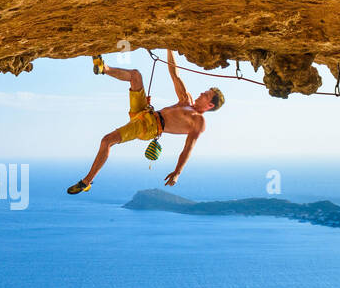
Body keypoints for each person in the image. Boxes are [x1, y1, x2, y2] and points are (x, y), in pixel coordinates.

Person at [67, 52, 224, 194]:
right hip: (145, 112)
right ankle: (103, 68)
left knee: (107, 140)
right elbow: (174, 73)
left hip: (149, 127)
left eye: (207, 95)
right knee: (135, 76)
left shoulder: (199, 120)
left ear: (210, 105)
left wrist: (177, 172)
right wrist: (169, 48)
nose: (202, 93)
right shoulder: (186, 99)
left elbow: (188, 147)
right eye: (205, 91)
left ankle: (86, 182)